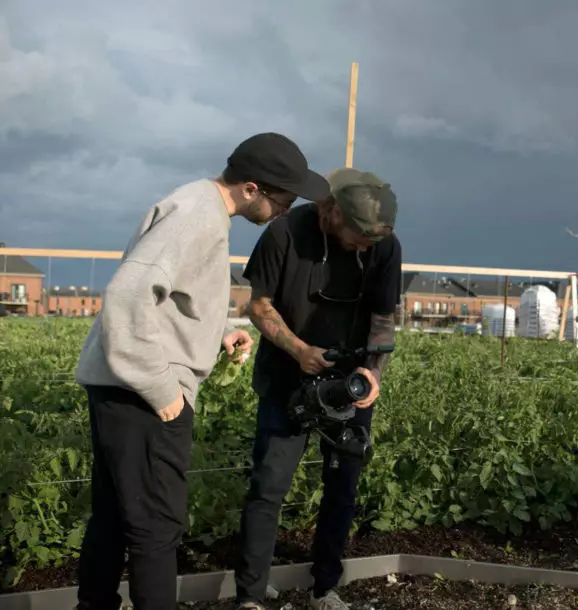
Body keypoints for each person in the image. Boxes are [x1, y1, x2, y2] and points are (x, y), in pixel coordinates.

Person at [73, 132, 331, 610]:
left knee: (114, 517)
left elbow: (169, 297)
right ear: (251, 188)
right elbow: (128, 296)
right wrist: (162, 390)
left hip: (122, 387)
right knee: (156, 526)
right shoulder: (196, 216)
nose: (283, 211)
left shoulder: (199, 207)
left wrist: (215, 334)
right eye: (283, 199)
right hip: (143, 393)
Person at [231, 167, 402, 610]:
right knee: (269, 484)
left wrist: (374, 373)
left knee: (343, 484)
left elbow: (384, 317)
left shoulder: (384, 246)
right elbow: (259, 304)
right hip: (287, 377)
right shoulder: (285, 232)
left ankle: (325, 587)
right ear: (331, 212)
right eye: (359, 236)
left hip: (350, 380)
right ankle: (250, 594)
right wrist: (298, 349)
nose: (366, 246)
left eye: (373, 240)